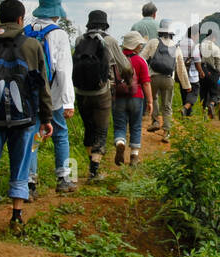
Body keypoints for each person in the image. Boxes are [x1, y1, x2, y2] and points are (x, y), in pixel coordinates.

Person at [0, 0, 53, 234]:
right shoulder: (32, 46)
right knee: (21, 165)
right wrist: (46, 117)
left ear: (0, 18)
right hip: (25, 118)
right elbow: (42, 84)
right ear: (21, 19)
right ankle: (16, 217)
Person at [22, 0, 77, 198]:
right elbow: (62, 70)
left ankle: (29, 183)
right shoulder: (58, 34)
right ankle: (63, 178)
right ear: (56, 11)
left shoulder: (25, 30)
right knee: (60, 134)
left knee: (33, 136)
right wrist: (68, 101)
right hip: (51, 95)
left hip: (28, 95)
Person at [72, 9, 133, 180]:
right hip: (102, 92)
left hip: (81, 92)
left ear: (89, 24)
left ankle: (91, 165)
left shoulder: (79, 40)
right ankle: (94, 170)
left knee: (89, 128)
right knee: (101, 130)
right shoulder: (110, 41)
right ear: (105, 25)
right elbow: (126, 67)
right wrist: (129, 81)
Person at [141, 20, 189, 143]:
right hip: (168, 79)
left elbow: (142, 58)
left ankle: (156, 121)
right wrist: (186, 85)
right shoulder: (175, 47)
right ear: (171, 33)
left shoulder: (153, 42)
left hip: (153, 78)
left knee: (153, 99)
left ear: (160, 31)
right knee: (167, 106)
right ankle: (166, 133)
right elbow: (181, 68)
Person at [112, 32, 153, 165]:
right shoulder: (141, 61)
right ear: (136, 45)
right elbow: (146, 83)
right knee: (135, 125)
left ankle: (120, 142)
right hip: (136, 97)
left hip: (118, 97)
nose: (141, 46)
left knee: (119, 124)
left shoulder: (115, 60)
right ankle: (134, 156)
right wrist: (150, 101)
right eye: (140, 44)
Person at [199, 28, 220, 119]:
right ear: (213, 37)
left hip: (201, 71)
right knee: (216, 93)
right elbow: (218, 63)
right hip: (212, 72)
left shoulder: (200, 46)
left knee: (203, 93)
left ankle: (204, 115)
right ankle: (211, 104)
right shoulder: (215, 48)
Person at [177, 23, 202, 116]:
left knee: (184, 94)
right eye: (197, 36)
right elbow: (197, 61)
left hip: (181, 75)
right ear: (192, 35)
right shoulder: (193, 45)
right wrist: (201, 72)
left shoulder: (179, 43)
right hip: (192, 76)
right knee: (194, 93)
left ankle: (187, 116)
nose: (197, 38)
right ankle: (185, 108)